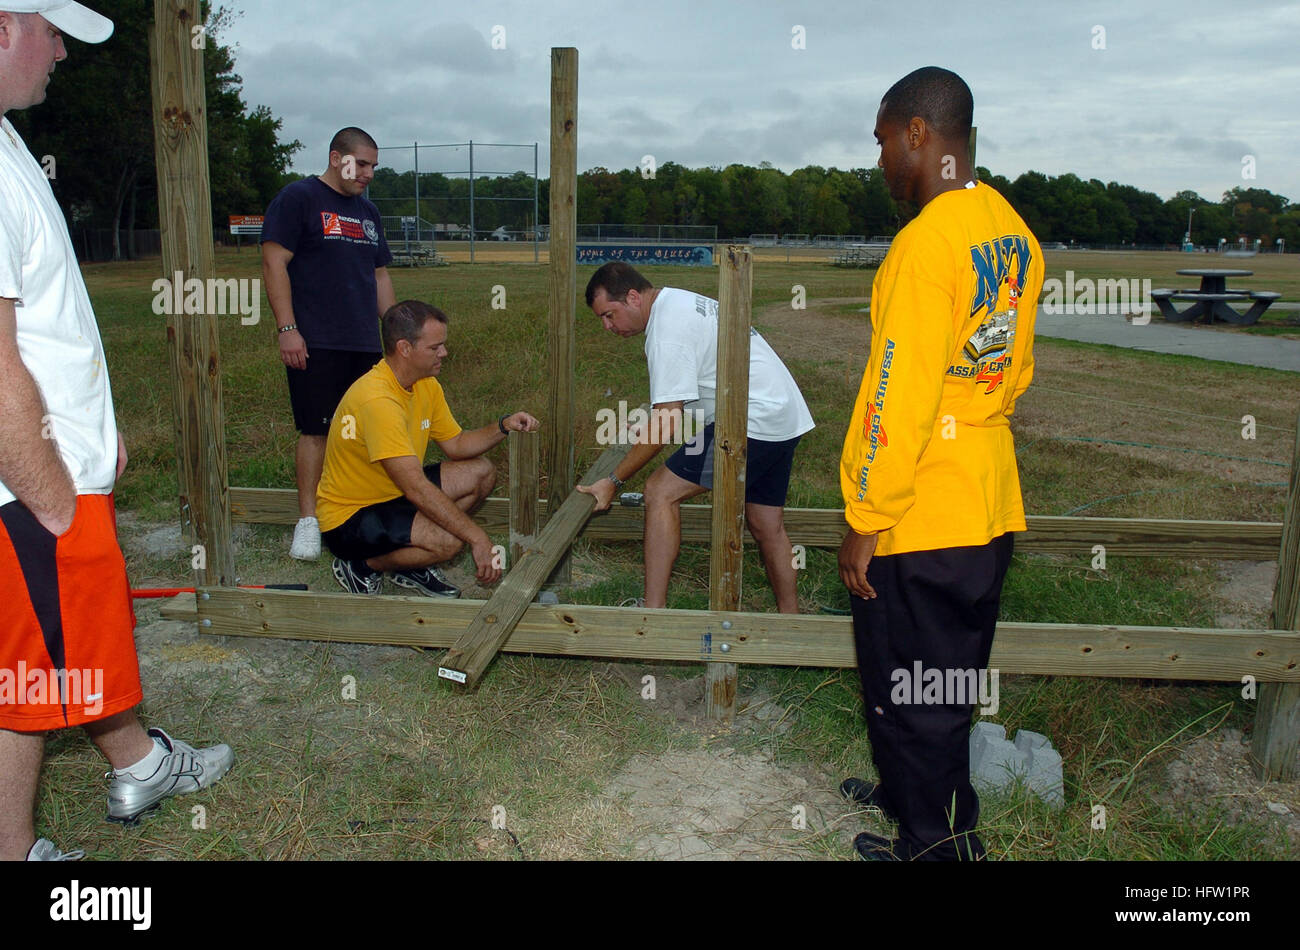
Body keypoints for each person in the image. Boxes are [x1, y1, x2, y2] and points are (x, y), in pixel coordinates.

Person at [0, 2, 233, 862]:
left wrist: (91, 438)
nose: (62, 51)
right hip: (28, 485)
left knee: (52, 651)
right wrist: (54, 495)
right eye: (52, 31)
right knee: (24, 679)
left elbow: (40, 328)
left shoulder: (9, 141)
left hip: (45, 467)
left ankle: (136, 765)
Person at [837, 66, 1043, 861]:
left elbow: (898, 396)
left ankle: (935, 846)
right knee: (946, 681)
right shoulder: (1008, 228)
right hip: (987, 494)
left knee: (912, 685)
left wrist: (867, 519)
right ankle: (913, 796)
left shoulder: (924, 247)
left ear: (918, 134)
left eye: (884, 140)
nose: (882, 158)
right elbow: (1014, 368)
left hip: (921, 511)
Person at [578, 263, 814, 612]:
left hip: (754, 421)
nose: (608, 327)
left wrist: (613, 480)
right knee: (766, 523)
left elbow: (668, 421)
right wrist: (656, 421)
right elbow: (696, 392)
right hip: (782, 415)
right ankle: (791, 621)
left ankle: (652, 613)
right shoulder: (678, 301)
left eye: (610, 315)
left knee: (659, 492)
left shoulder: (665, 330)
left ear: (632, 296)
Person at [317, 299, 539, 596]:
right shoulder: (377, 401)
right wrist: (477, 538)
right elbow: (416, 488)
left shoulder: (424, 384)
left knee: (481, 472)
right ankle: (363, 566)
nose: (444, 353)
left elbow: (457, 445)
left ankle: (413, 561)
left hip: (394, 495)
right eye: (434, 348)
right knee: (449, 542)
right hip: (350, 517)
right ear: (405, 348)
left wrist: (504, 426)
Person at [261, 126, 396, 561]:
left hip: (364, 343)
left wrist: (397, 334)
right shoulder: (299, 199)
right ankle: (307, 521)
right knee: (317, 429)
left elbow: (379, 276)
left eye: (375, 166)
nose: (369, 174)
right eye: (363, 164)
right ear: (337, 157)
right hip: (315, 340)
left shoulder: (368, 213)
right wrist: (288, 329)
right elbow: (273, 261)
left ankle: (356, 511)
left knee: (363, 433)